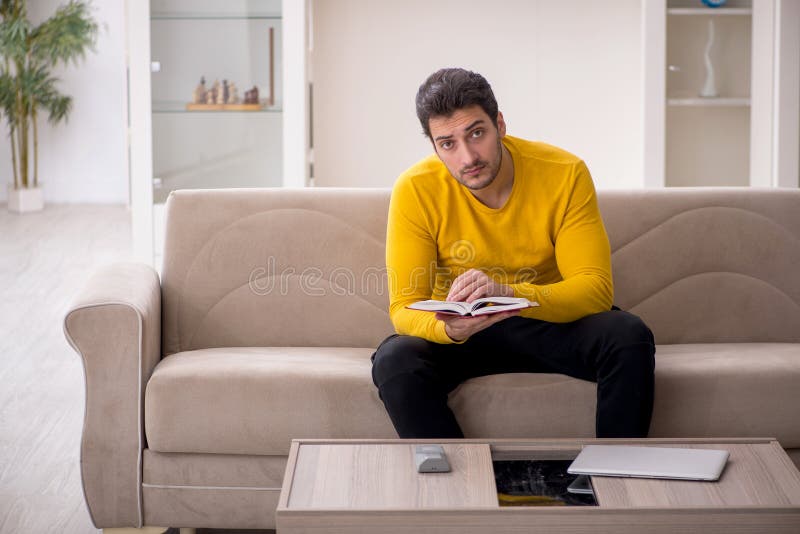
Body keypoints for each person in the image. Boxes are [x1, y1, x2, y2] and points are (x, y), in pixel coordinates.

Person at [371, 68, 656, 439]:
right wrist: (449, 328)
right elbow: (404, 307)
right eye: (448, 144)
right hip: (466, 334)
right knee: (395, 359)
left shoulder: (564, 173)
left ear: (499, 125)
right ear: (434, 147)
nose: (467, 156)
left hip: (548, 323)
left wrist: (509, 294)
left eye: (477, 133)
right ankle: (456, 488)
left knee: (627, 334)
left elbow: (596, 290)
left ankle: (615, 481)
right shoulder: (415, 188)